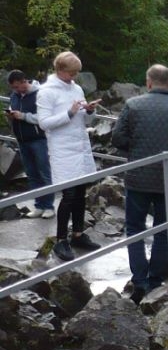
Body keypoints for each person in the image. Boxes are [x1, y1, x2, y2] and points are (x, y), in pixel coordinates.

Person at [110, 64, 168, 304]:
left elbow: (117, 138)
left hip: (137, 176)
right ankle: (156, 279)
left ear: (148, 82)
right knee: (163, 227)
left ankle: (139, 279)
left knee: (134, 228)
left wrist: (137, 150)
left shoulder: (133, 105)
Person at [35, 52, 101, 261]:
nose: (74, 76)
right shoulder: (45, 92)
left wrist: (88, 111)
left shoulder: (77, 88)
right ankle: (61, 239)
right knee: (69, 195)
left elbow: (85, 120)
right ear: (60, 70)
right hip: (62, 149)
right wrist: (70, 113)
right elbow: (44, 123)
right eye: (72, 72)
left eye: (76, 73)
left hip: (79, 145)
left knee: (80, 192)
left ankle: (78, 234)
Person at [6, 70, 55, 217]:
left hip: (39, 139)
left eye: (16, 87)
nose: (15, 90)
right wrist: (11, 116)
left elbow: (44, 118)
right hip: (22, 140)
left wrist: (23, 116)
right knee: (32, 174)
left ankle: (49, 207)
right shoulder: (14, 96)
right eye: (13, 88)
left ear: (24, 81)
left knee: (44, 173)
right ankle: (39, 205)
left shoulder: (39, 94)